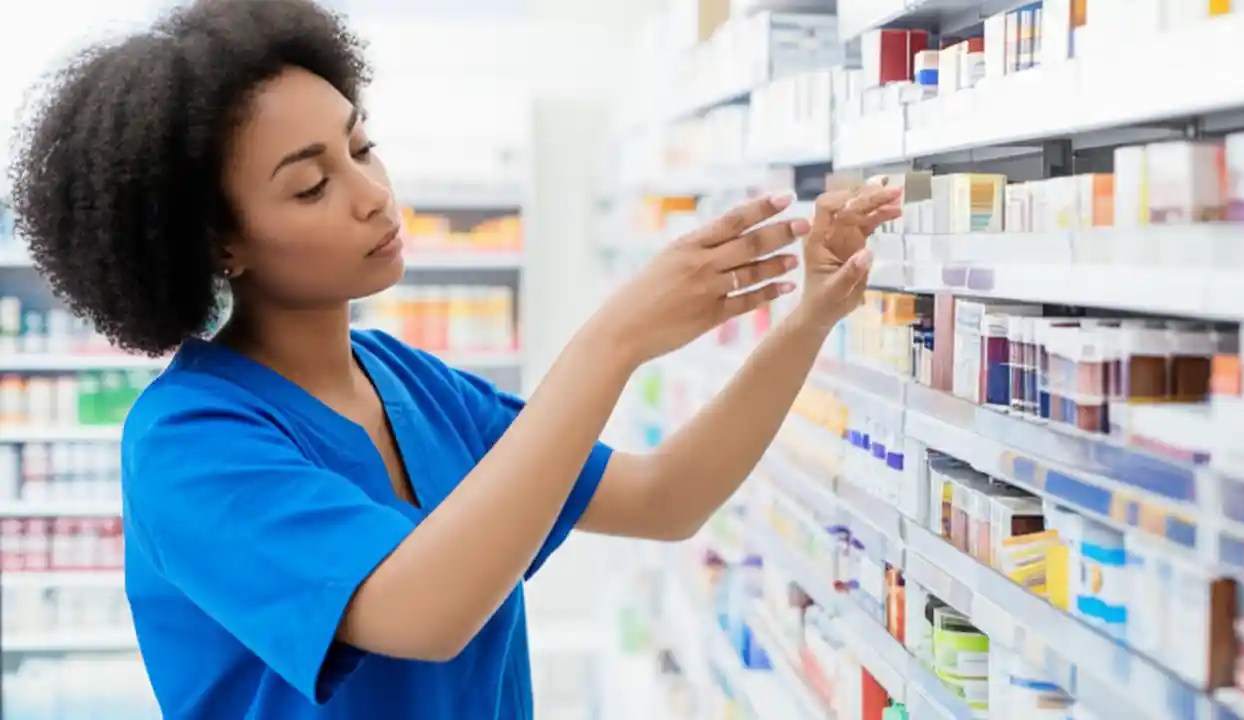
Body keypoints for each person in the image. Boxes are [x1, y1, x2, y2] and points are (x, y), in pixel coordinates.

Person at [8, 1, 902, 718]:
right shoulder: (189, 442)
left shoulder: (406, 380)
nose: (372, 196)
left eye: (362, 147)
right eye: (312, 183)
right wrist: (614, 339)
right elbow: (423, 615)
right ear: (219, 245)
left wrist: (813, 314)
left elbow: (666, 499)